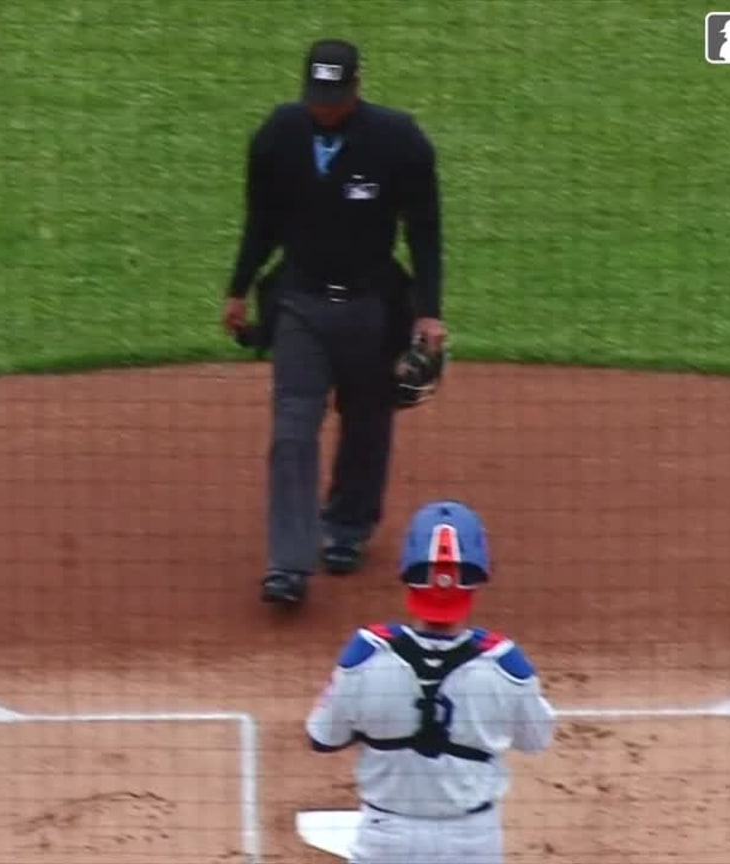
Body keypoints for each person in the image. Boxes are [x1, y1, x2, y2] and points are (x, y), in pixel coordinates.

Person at [221, 38, 448, 607]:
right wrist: (238, 288)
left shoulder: (399, 142)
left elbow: (424, 230)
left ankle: (347, 529)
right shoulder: (279, 136)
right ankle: (288, 565)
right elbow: (262, 221)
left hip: (374, 306)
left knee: (367, 423)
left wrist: (429, 310)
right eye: (318, 97)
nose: (325, 107)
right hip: (300, 305)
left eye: (336, 97)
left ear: (356, 87)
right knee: (293, 430)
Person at [304, 500, 556, 864]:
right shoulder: (507, 665)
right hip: (472, 842)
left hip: (386, 839)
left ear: (408, 573)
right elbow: (536, 740)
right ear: (477, 576)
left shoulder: (365, 655)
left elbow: (322, 738)